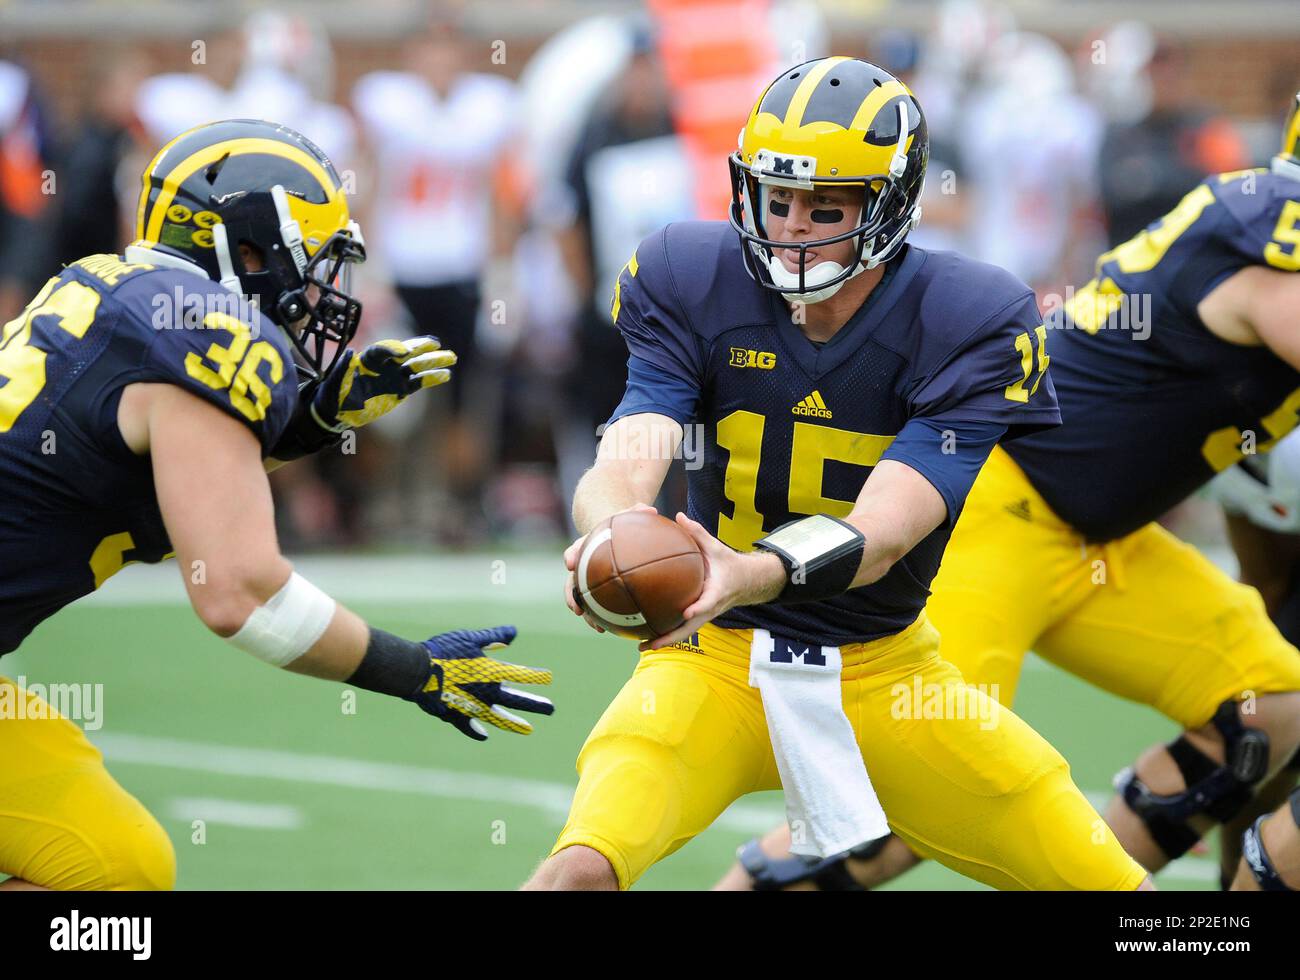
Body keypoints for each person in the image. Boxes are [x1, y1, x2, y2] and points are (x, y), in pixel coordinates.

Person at [523, 57, 1149, 892]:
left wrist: (745, 572)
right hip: (713, 659)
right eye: (777, 199)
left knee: (1114, 890)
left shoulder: (972, 317)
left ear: (889, 206)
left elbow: (885, 529)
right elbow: (634, 442)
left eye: (826, 207)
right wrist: (609, 526)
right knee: (580, 870)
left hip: (885, 673)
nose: (792, 227)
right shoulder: (689, 274)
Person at [720, 93, 1300, 893]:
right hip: (1004, 503)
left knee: (1266, 707)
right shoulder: (1274, 240)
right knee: (913, 796)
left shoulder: (1257, 214)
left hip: (1102, 533)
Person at [0, 120, 554, 890]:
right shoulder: (209, 330)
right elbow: (239, 591)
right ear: (247, 250)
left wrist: (312, 421)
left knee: (115, 866)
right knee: (108, 880)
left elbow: (159, 459)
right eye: (312, 262)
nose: (322, 292)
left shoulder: (107, 285)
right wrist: (414, 671)